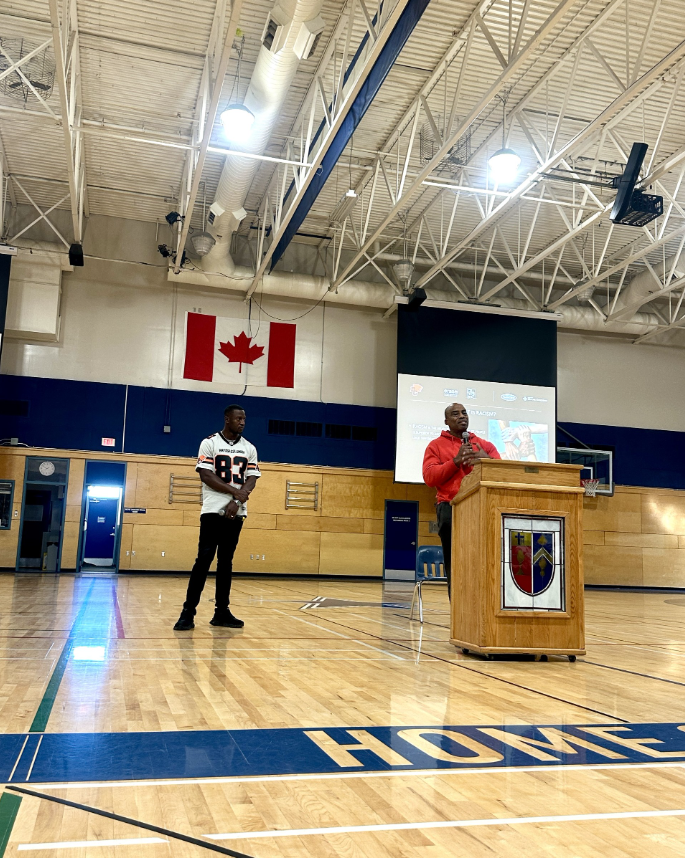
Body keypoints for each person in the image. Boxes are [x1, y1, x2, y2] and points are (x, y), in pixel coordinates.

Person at [173, 404, 260, 631]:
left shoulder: (249, 448)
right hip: (212, 510)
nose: (242, 422)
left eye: (244, 419)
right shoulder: (209, 443)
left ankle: (221, 612)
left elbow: (252, 478)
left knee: (226, 562)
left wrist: (238, 501)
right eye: (238, 418)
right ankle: (187, 613)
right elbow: (205, 475)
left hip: (237, 512)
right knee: (203, 560)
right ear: (227, 419)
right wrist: (234, 492)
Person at [422, 403, 500, 595]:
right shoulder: (435, 446)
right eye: (455, 414)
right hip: (450, 509)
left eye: (464, 413)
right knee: (455, 563)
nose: (461, 416)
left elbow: (502, 473)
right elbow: (430, 477)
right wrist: (455, 462)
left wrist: (485, 461)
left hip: (482, 509)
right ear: (447, 421)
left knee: (483, 561)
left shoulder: (484, 445)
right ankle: (458, 612)